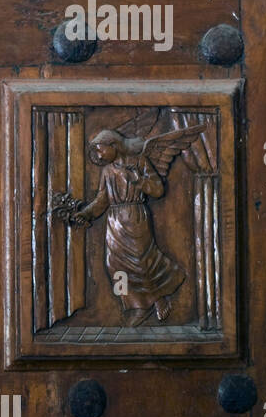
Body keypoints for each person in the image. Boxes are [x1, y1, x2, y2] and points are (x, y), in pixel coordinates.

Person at [68, 129, 187, 326]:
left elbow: (158, 190)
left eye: (101, 150)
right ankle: (135, 306)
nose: (99, 156)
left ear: (113, 146)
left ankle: (158, 296)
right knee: (114, 266)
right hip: (115, 223)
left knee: (141, 263)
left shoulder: (139, 163)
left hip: (135, 218)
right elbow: (101, 200)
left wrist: (139, 181)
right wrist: (86, 213)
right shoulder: (107, 171)